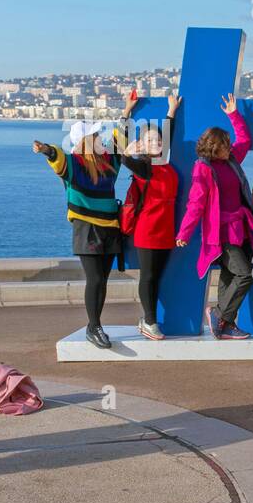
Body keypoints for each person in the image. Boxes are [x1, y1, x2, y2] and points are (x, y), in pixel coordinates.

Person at [33, 93, 149, 349]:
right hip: (87, 229)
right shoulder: (73, 165)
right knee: (95, 279)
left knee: (102, 280)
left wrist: (127, 111)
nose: (101, 139)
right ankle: (94, 326)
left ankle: (94, 325)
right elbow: (57, 158)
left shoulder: (108, 163)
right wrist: (46, 150)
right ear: (85, 141)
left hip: (109, 228)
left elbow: (120, 141)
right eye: (96, 137)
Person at [175, 95, 253, 340]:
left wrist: (234, 115)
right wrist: (184, 233)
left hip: (239, 227)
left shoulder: (231, 160)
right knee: (245, 274)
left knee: (230, 276)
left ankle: (225, 326)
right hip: (221, 232)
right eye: (225, 144)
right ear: (214, 147)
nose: (230, 147)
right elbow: (196, 203)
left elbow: (245, 139)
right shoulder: (203, 167)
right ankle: (220, 313)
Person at [120, 91, 181, 340]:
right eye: (150, 140)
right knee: (149, 276)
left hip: (167, 229)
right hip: (147, 228)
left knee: (159, 277)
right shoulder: (144, 166)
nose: (155, 143)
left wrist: (171, 111)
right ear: (142, 145)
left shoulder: (165, 164)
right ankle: (150, 321)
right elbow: (122, 156)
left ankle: (149, 319)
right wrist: (126, 113)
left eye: (158, 140)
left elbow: (169, 133)